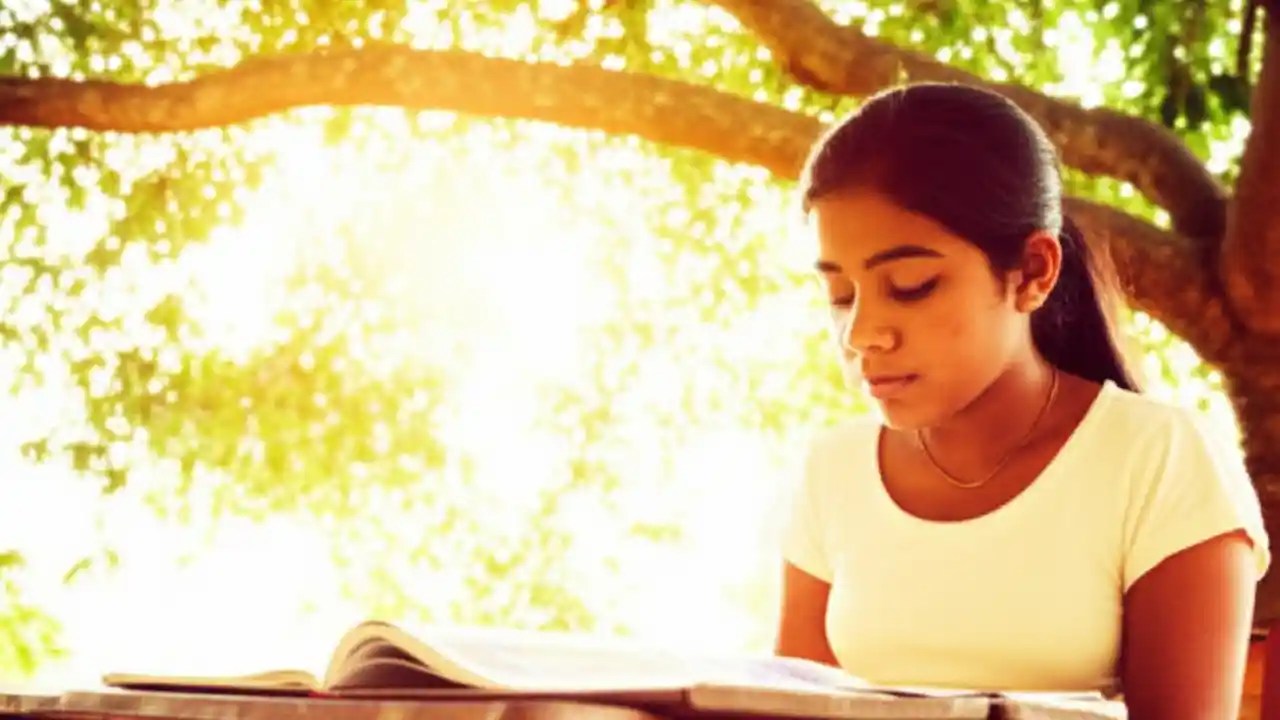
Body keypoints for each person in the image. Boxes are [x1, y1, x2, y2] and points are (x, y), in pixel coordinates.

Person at [775, 83, 1270, 719]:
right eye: (842, 294)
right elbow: (784, 706)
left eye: (910, 286)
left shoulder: (1155, 458)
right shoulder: (832, 472)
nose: (863, 332)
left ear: (1034, 271)